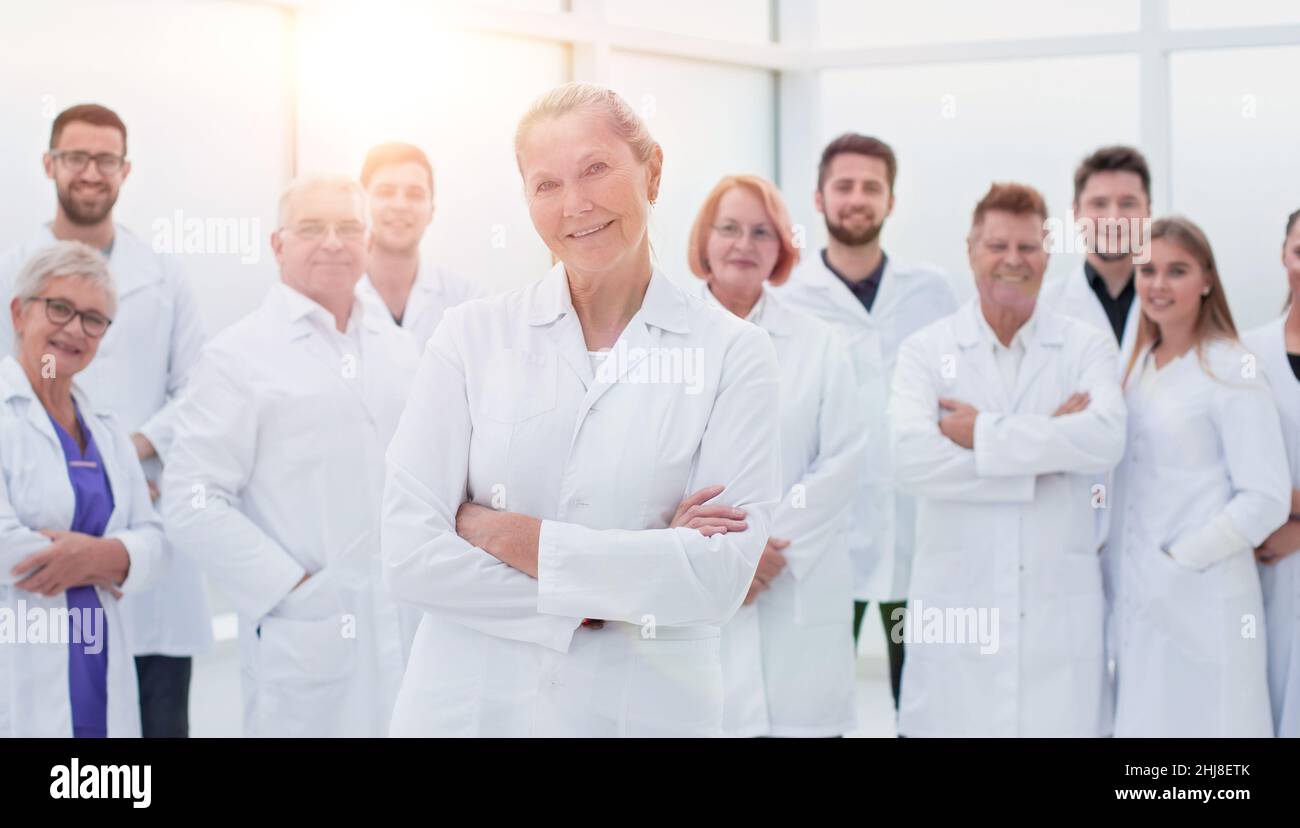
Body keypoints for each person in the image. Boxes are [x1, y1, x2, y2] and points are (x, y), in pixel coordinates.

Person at [382, 83, 782, 737]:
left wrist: (505, 534)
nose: (576, 204)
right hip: (469, 708)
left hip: (644, 711)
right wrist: (622, 580)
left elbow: (715, 580)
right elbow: (409, 556)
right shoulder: (469, 337)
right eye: (546, 184)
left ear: (652, 171)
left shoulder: (734, 354)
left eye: (596, 168)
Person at [161, 176, 420, 737]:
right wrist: (296, 589)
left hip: (409, 622)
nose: (332, 241)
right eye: (311, 228)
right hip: (308, 631)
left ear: (368, 242)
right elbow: (190, 500)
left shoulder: (401, 349)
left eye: (348, 227)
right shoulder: (237, 357)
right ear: (278, 245)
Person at [0, 103, 210, 737]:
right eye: (75, 157)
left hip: (137, 495)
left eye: (105, 159)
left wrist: (130, 449)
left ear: (124, 170)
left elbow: (199, 389)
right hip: (36, 550)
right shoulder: (14, 263)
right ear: (50, 164)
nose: (90, 172)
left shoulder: (163, 274)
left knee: (145, 728)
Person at [889, 182, 1126, 737]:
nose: (1013, 261)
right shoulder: (926, 350)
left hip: (1056, 616)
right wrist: (1049, 452)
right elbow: (909, 460)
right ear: (971, 250)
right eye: (997, 246)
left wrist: (981, 435)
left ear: (1048, 254)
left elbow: (1107, 438)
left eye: (1028, 247)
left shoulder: (1086, 346)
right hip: (958, 604)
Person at [773, 133, 956, 706]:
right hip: (824, 534)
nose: (858, 198)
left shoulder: (932, 292)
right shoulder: (788, 297)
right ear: (819, 199)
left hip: (916, 527)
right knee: (819, 700)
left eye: (871, 187)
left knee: (923, 700)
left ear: (891, 201)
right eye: (844, 186)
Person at [687, 175, 866, 737]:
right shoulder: (657, 342)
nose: (745, 244)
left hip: (793, 582)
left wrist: (763, 545)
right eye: (730, 229)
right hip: (697, 584)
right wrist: (729, 556)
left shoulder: (820, 343)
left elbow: (843, 457)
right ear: (705, 242)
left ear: (782, 248)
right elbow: (646, 468)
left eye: (762, 232)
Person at [1111, 216, 1289, 737]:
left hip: (1204, 596)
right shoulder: (1137, 365)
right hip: (1141, 599)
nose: (1158, 285)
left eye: (1177, 270)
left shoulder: (1231, 367)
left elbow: (1265, 497)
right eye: (1147, 271)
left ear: (1207, 279)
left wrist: (1183, 559)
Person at [1, 242, 167, 737]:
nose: (75, 329)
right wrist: (109, 558)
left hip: (98, 656)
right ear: (19, 312)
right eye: (59, 308)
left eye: (94, 318)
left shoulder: (108, 429)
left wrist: (104, 556)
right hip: (20, 658)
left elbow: (156, 544)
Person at [1242, 208, 1300, 738]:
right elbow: (1230, 474)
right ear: (1284, 255)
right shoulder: (1249, 355)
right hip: (1271, 572)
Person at [357, 142, 478, 349]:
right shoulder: (336, 297)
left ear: (431, 210)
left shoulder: (465, 299)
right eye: (385, 192)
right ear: (361, 204)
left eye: (414, 195)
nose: (400, 205)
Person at [1041, 145, 1151, 366]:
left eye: (1128, 203)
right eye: (1099, 204)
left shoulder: (1179, 303)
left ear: (1148, 211)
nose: (1113, 218)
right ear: (1076, 213)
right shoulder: (1045, 306)